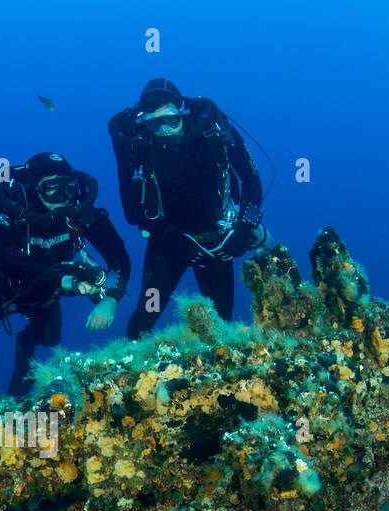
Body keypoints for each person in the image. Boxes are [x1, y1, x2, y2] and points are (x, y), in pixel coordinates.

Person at [0, 152, 131, 397]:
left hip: (46, 291)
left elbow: (120, 260)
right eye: (52, 189)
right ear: (34, 187)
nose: (62, 198)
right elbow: (6, 258)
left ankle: (23, 359)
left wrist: (111, 298)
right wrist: (65, 278)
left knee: (50, 337)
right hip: (5, 290)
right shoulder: (9, 210)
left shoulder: (80, 213)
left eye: (68, 189)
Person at [109, 78, 271, 339]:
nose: (163, 130)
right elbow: (132, 211)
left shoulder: (214, 130)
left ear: (182, 112)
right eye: (154, 123)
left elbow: (252, 179)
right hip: (167, 243)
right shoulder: (137, 147)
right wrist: (174, 238)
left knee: (219, 326)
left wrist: (244, 228)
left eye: (170, 120)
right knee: (144, 319)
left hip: (217, 241)